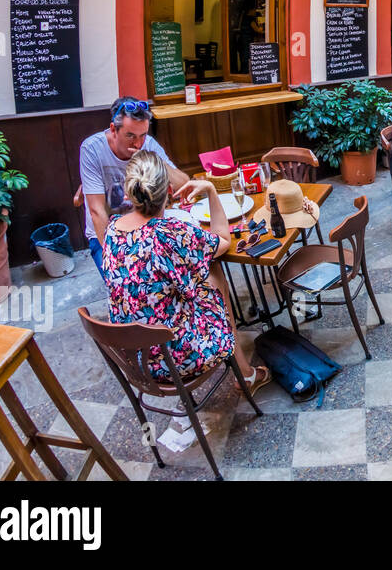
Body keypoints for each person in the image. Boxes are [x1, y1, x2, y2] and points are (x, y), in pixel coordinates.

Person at [102, 151, 270, 392]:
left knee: (196, 276)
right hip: (175, 359)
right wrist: (211, 190)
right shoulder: (169, 232)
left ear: (129, 193)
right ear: (169, 191)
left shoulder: (112, 229)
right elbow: (222, 241)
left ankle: (244, 372)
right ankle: (244, 373)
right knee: (214, 270)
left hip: (134, 359)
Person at [80, 97, 190, 278]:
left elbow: (183, 184)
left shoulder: (148, 145)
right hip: (107, 233)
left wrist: (153, 159)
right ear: (114, 129)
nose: (138, 144)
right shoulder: (92, 149)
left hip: (146, 225)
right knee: (128, 283)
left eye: (142, 135)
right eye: (130, 136)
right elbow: (96, 211)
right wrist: (114, 256)